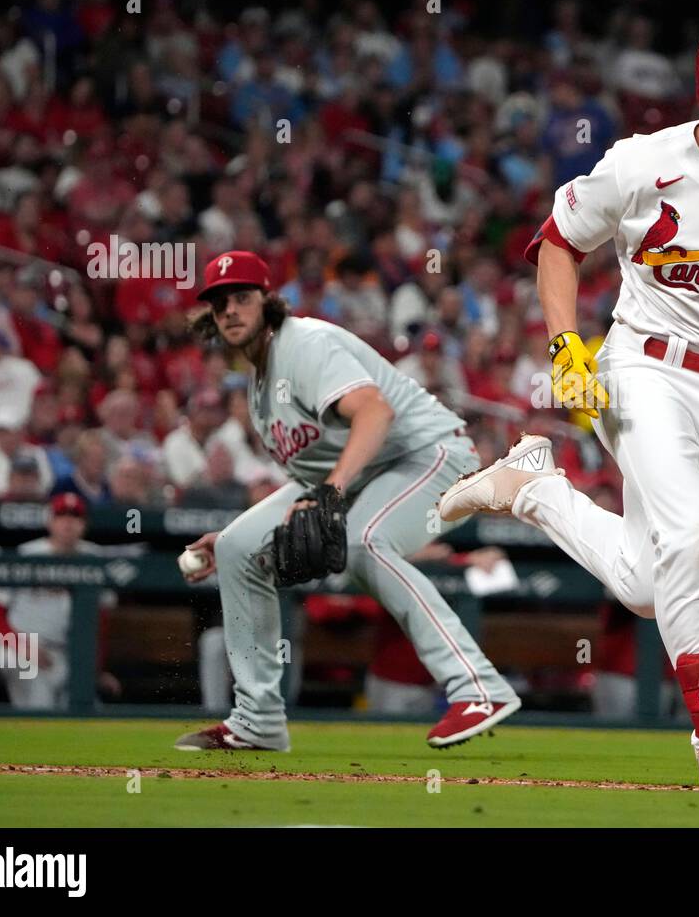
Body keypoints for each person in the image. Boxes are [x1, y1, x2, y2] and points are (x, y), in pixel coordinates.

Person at [440, 13, 699, 791]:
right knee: (695, 536)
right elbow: (557, 241)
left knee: (646, 587)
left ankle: (533, 490)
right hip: (639, 369)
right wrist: (566, 346)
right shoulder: (640, 164)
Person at [173, 251, 520, 752]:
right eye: (220, 302)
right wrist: (244, 528)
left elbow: (373, 414)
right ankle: (258, 720)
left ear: (268, 302)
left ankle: (478, 688)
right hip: (372, 472)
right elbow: (313, 478)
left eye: (242, 297)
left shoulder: (305, 345)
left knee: (365, 543)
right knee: (236, 548)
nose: (230, 310)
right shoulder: (259, 389)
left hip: (430, 455)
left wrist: (333, 491)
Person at [0, 492, 119, 709]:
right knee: (41, 706)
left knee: (89, 713)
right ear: (50, 521)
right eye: (61, 516)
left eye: (75, 517)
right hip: (21, 649)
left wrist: (96, 670)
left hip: (68, 654)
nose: (68, 523)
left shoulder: (94, 558)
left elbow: (100, 621)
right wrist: (22, 647)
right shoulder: (26, 555)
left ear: (84, 524)